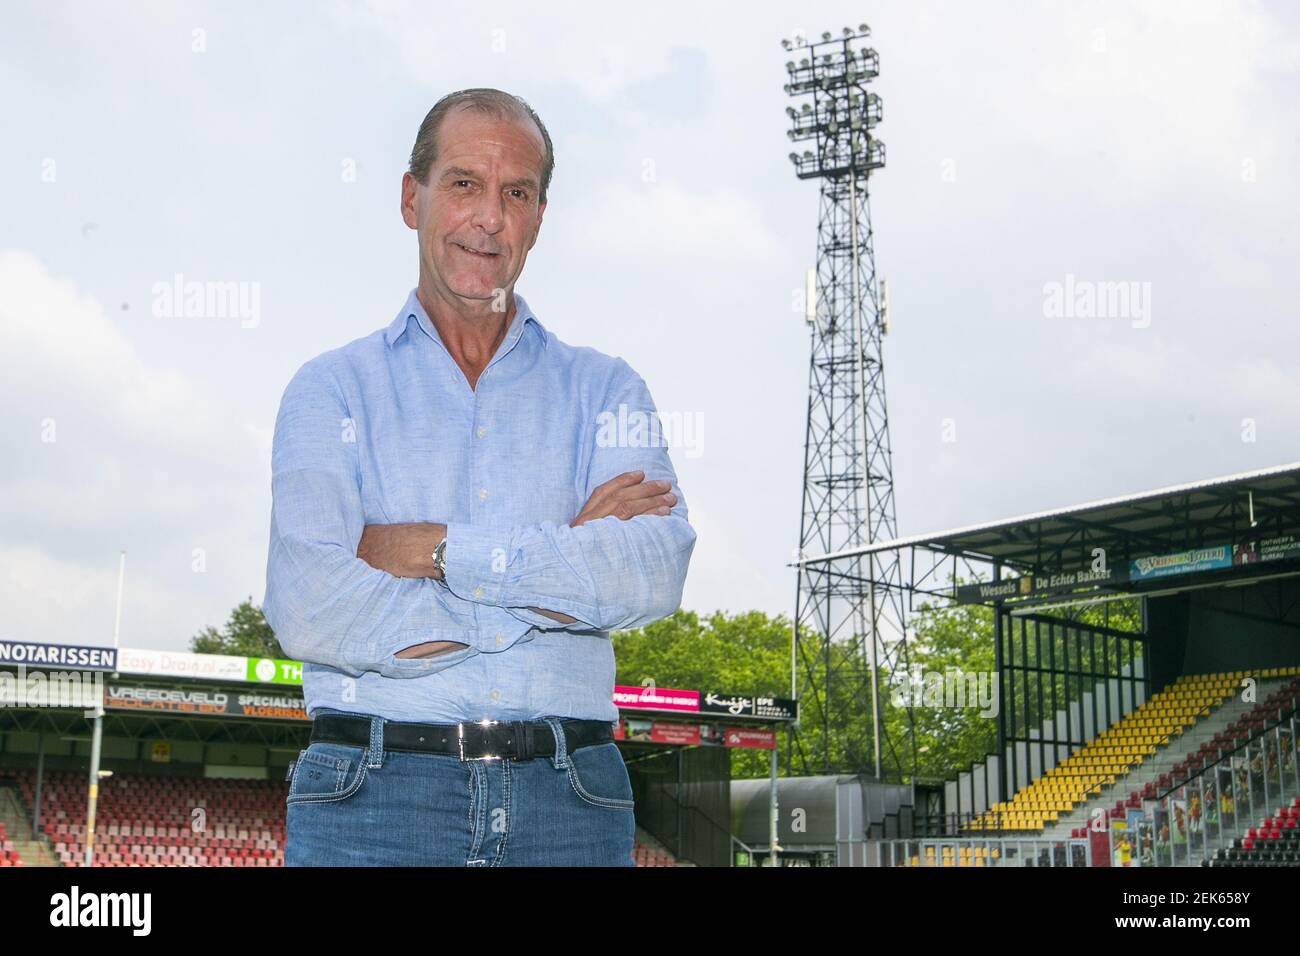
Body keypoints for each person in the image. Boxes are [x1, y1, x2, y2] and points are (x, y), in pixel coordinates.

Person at [264, 88, 697, 866]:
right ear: (412, 198)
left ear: (538, 217)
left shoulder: (608, 390)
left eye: (517, 193)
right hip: (371, 794)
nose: (489, 217)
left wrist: (437, 549)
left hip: (571, 798)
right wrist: (560, 566)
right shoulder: (330, 389)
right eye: (464, 183)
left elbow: (652, 573)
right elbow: (310, 606)